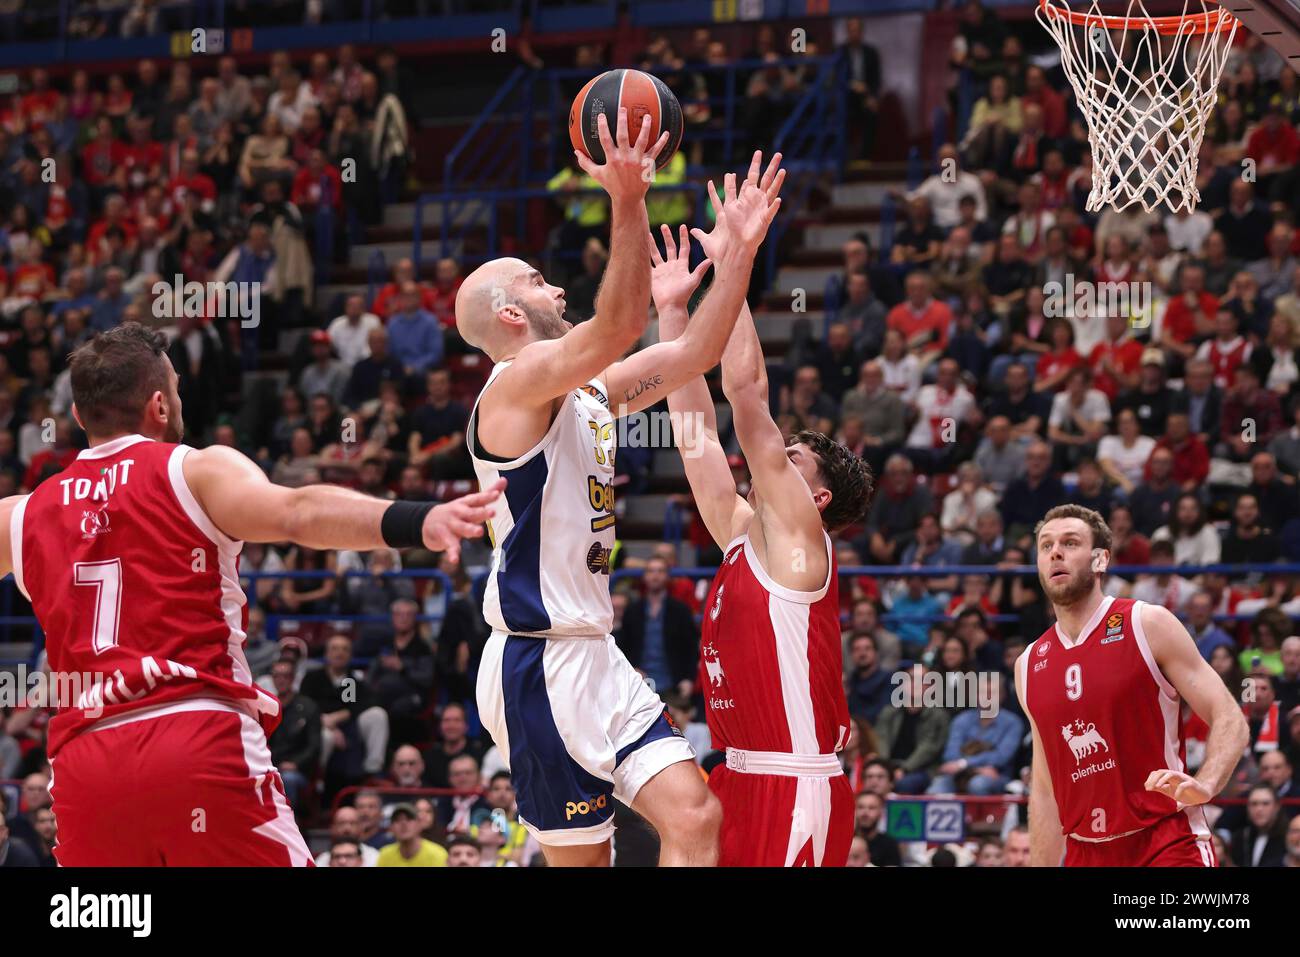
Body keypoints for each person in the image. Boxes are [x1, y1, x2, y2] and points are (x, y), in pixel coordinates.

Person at [0, 323, 503, 866]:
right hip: (194, 734)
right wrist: (419, 520)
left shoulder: (20, 514)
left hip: (86, 766)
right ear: (160, 406)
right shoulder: (195, 470)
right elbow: (297, 512)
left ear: (77, 416)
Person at [460, 115, 776, 865]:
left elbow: (696, 348)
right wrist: (629, 199)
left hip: (594, 651)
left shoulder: (591, 386)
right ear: (511, 313)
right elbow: (614, 324)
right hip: (535, 663)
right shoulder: (512, 387)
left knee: (696, 818)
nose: (557, 283)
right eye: (538, 280)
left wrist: (739, 256)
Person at [657, 153, 875, 867]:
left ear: (816, 500)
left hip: (793, 783)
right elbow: (694, 439)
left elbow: (746, 398)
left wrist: (735, 266)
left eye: (793, 460)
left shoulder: (800, 546)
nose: (775, 461)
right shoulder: (742, 537)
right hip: (737, 774)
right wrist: (672, 316)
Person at [1015, 505, 1250, 866]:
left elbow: (1228, 715)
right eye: (1046, 546)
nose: (1055, 552)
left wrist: (1206, 783)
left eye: (1070, 542)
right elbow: (1045, 790)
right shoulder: (1028, 664)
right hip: (1085, 852)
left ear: (1100, 560)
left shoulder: (1147, 623)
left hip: (1165, 841)